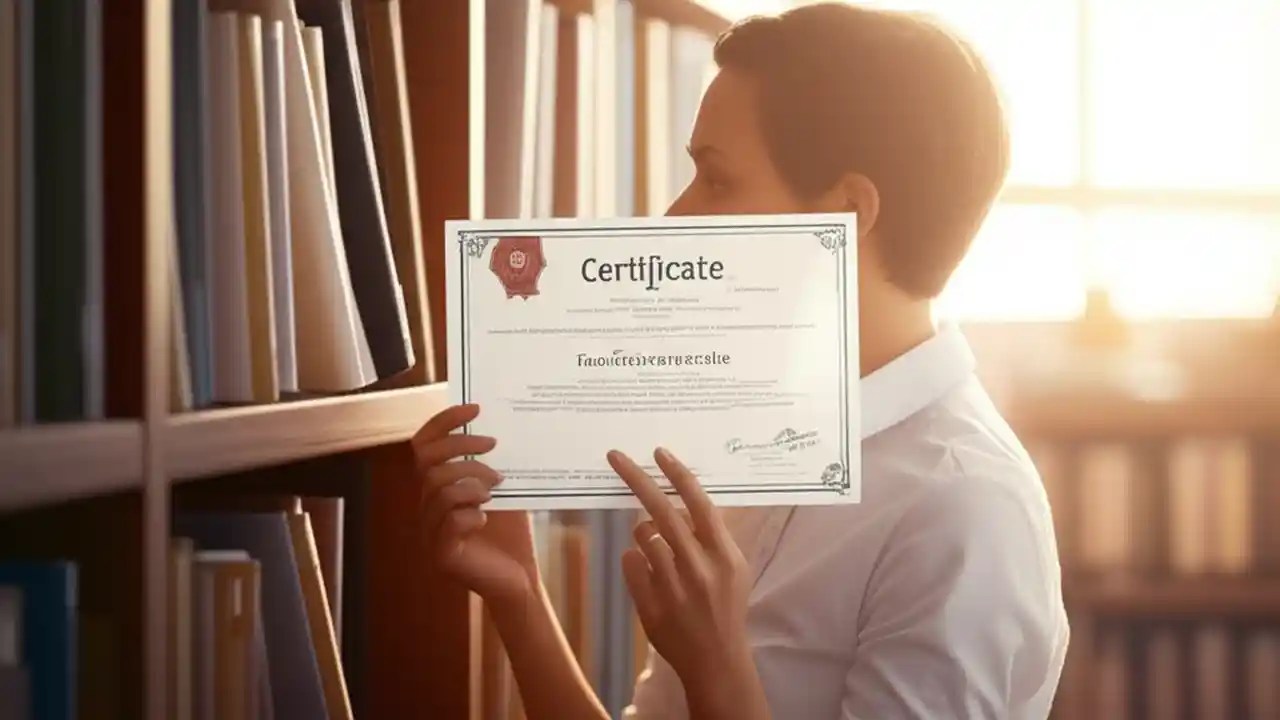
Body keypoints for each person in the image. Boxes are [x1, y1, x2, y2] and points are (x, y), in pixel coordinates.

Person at [410, 3, 1069, 718]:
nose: (674, 218)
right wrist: (520, 593)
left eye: (717, 181)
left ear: (845, 211)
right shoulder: (756, 438)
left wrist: (718, 666)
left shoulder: (963, 509)